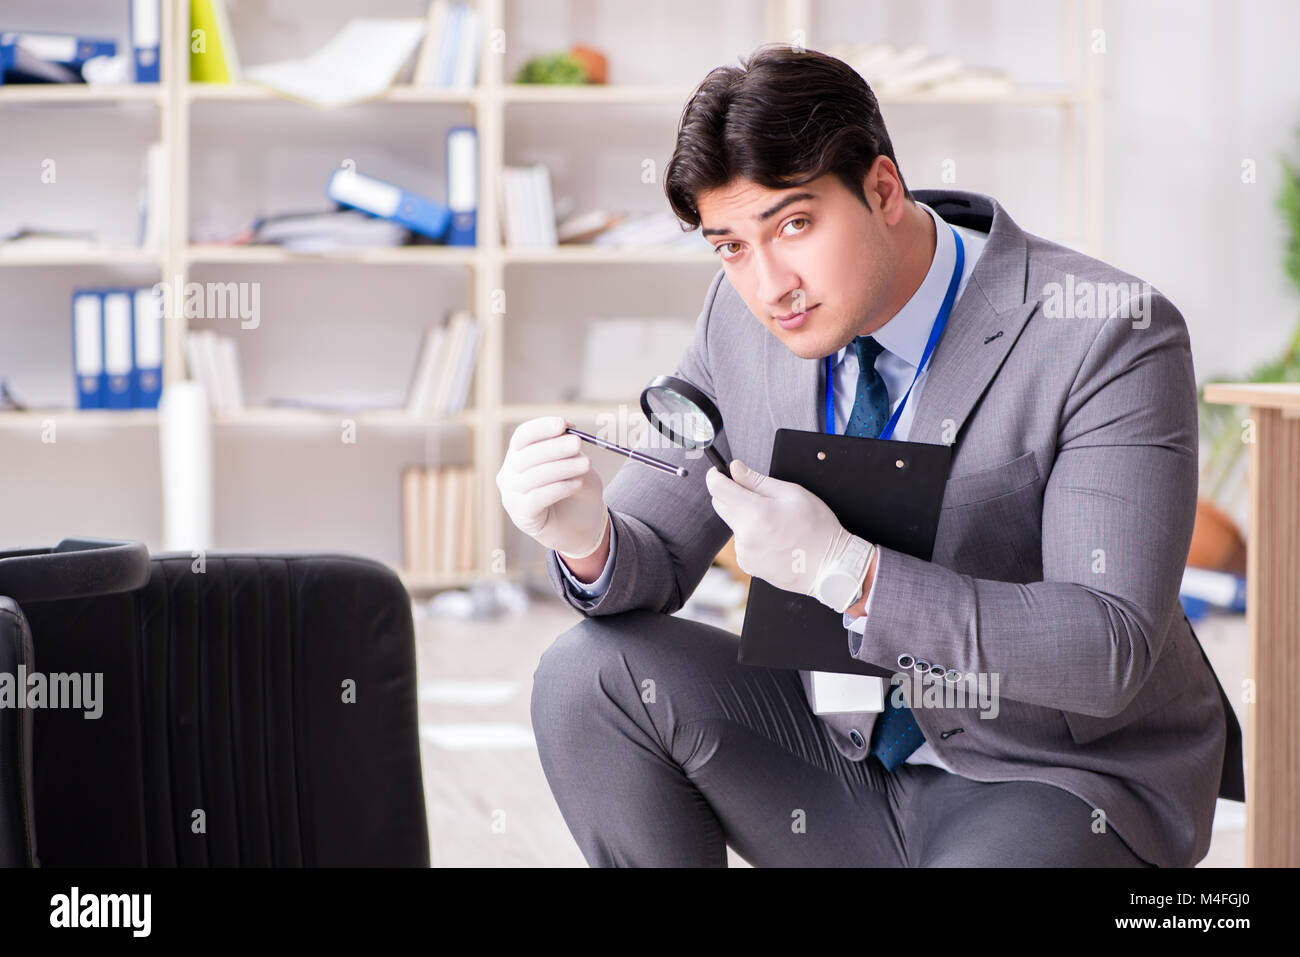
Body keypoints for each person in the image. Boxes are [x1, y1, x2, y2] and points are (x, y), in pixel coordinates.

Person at [497, 44, 1244, 867]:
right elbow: (655, 550)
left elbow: (1108, 649)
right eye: (730, 245)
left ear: (883, 189)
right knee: (586, 677)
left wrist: (850, 571)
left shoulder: (1105, 333)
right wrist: (586, 536)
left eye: (794, 224)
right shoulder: (741, 321)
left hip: (1052, 777)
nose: (769, 284)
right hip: (836, 764)